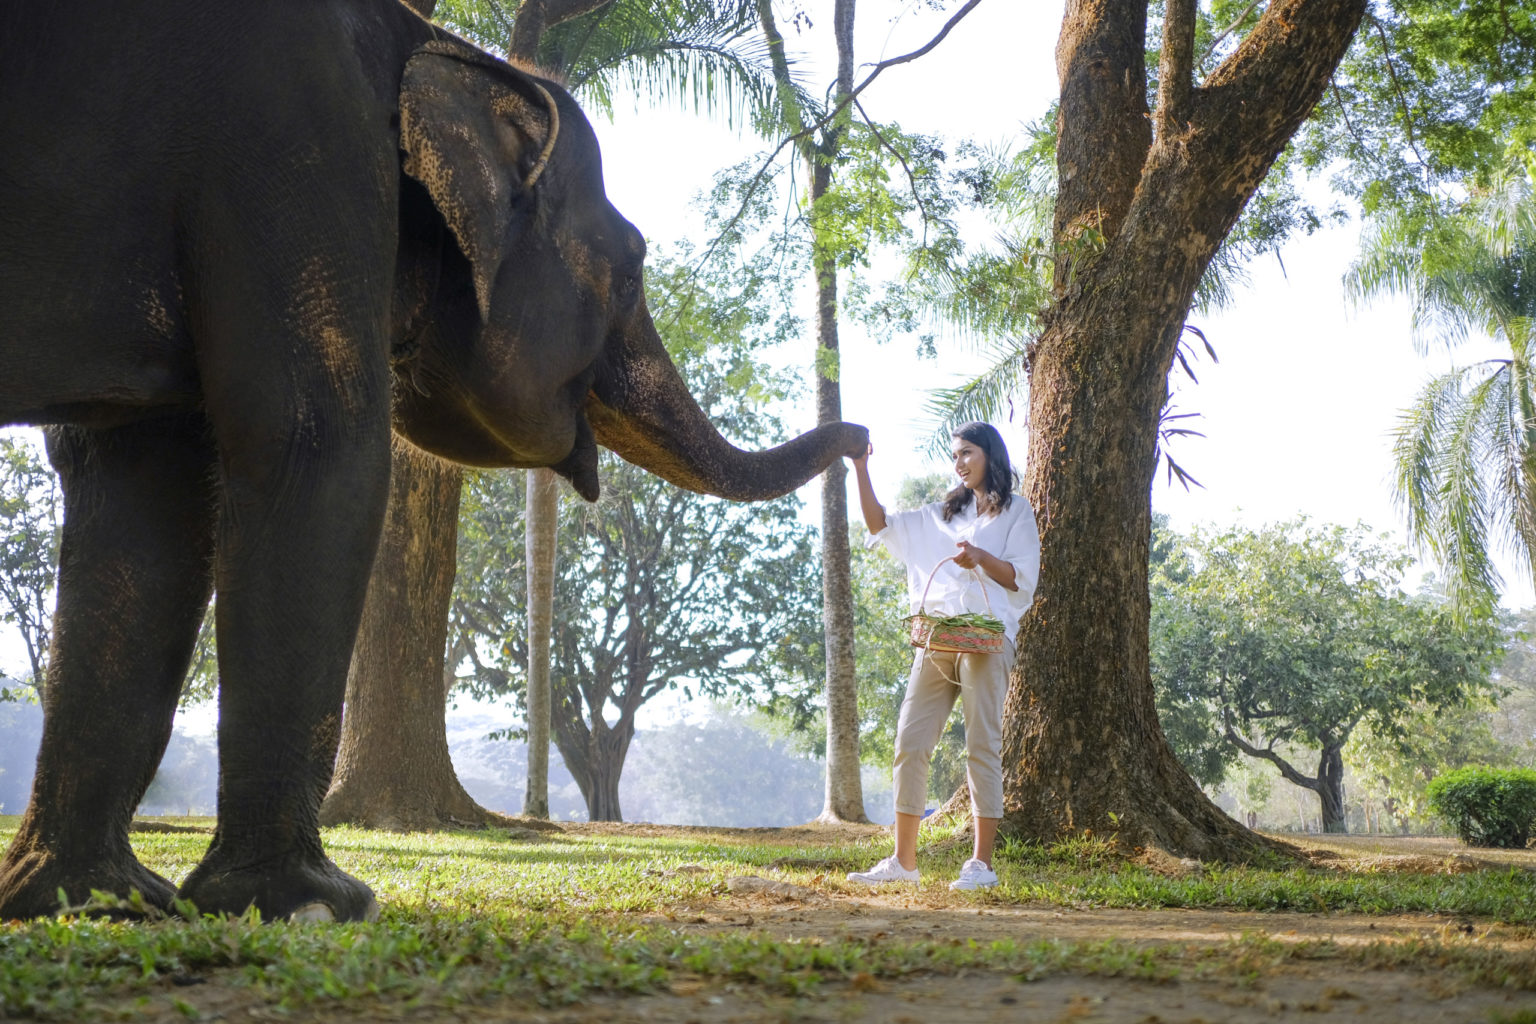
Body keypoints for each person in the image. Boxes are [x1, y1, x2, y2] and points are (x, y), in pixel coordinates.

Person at [845, 422, 1040, 891]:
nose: (959, 462)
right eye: (955, 455)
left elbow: (1021, 577)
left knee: (981, 748)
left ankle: (980, 865)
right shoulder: (941, 513)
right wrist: (860, 467)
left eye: (967, 452)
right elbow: (879, 525)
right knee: (910, 741)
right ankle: (903, 862)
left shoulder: (1017, 512)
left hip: (988, 642)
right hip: (937, 641)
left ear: (990, 454)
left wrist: (980, 557)